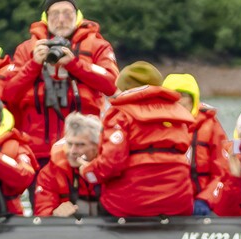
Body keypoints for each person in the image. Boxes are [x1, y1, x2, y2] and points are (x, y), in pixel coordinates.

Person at [0, 0, 119, 166]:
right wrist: (34, 64)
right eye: (55, 14)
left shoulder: (98, 46)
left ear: (77, 16)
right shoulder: (27, 49)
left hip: (83, 147)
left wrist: (74, 64)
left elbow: (111, 84)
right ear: (46, 18)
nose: (61, 19)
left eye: (67, 13)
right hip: (37, 148)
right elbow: (8, 94)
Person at [82, 62, 196, 218]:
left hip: (131, 204)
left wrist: (86, 172)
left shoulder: (121, 114)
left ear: (126, 88)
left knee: (96, 206)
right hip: (179, 200)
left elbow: (111, 163)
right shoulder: (178, 114)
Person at [162, 72, 230, 217]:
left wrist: (205, 199)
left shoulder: (211, 126)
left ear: (193, 99)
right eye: (172, 95)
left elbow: (223, 172)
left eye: (183, 95)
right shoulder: (157, 127)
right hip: (167, 203)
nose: (178, 100)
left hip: (202, 206)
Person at [32, 113, 103, 217]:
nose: (72, 151)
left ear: (97, 146)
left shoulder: (110, 168)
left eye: (80, 145)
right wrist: (54, 214)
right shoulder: (51, 172)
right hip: (68, 231)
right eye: (69, 144)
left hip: (108, 228)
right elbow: (42, 213)